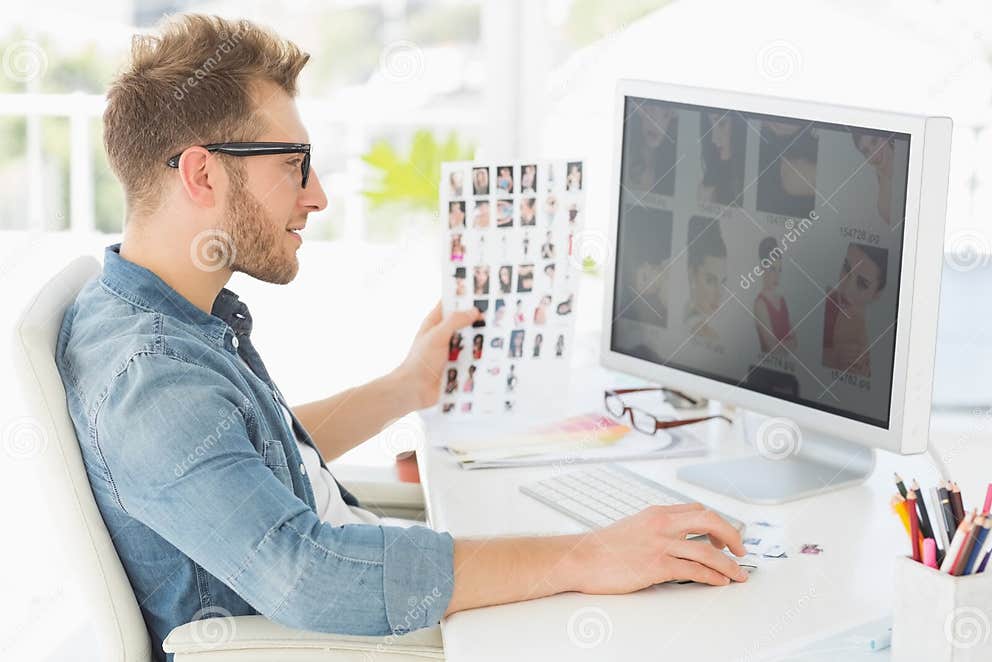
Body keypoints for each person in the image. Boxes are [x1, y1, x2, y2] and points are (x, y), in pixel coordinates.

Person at [56, 15, 746, 659]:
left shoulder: (164, 320)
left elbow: (254, 458)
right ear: (204, 173)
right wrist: (582, 556)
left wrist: (405, 387)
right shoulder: (150, 378)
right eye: (292, 163)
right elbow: (308, 577)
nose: (317, 194)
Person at [822, 242, 887, 377]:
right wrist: (833, 359)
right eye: (846, 268)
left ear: (877, 294)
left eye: (862, 284)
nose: (847, 290)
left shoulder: (878, 339)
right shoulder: (824, 302)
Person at [684, 217, 727, 342]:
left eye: (723, 281)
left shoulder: (689, 312)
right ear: (692, 274)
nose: (719, 294)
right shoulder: (709, 336)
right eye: (710, 280)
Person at [752, 237, 797, 354]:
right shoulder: (760, 304)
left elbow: (796, 342)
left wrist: (787, 345)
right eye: (772, 269)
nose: (777, 276)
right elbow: (773, 348)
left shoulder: (782, 300)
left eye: (779, 270)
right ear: (762, 267)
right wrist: (789, 344)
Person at [851, 131, 895, 225]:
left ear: (885, 138)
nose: (874, 154)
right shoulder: (870, 188)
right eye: (866, 151)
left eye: (874, 142)